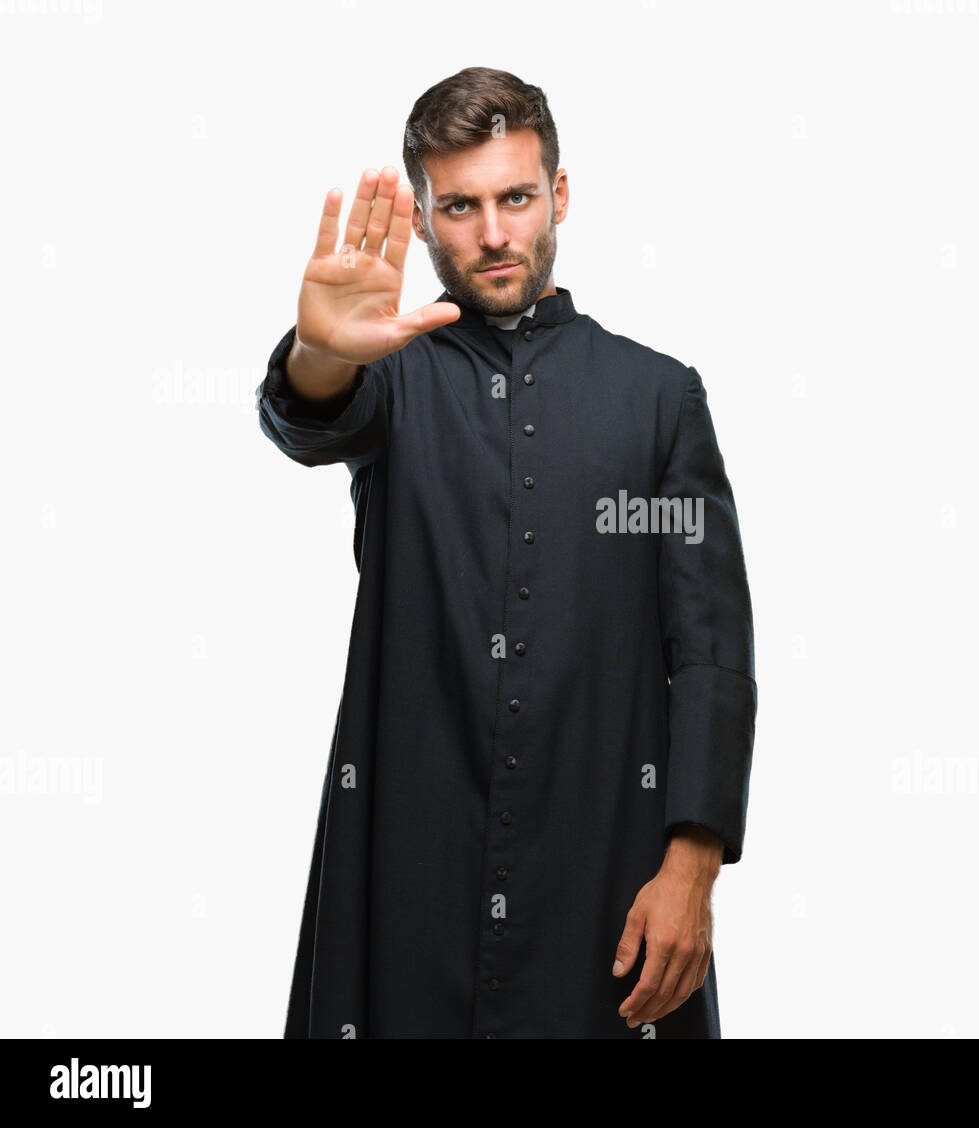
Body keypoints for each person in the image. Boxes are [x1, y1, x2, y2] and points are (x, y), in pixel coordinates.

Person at [255, 66, 756, 1038]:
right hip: (407, 875)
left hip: (607, 877)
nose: (491, 233)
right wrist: (324, 352)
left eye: (515, 198)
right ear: (429, 214)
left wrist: (691, 868)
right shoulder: (388, 377)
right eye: (461, 206)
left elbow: (707, 647)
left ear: (557, 195)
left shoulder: (657, 400)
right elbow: (310, 420)